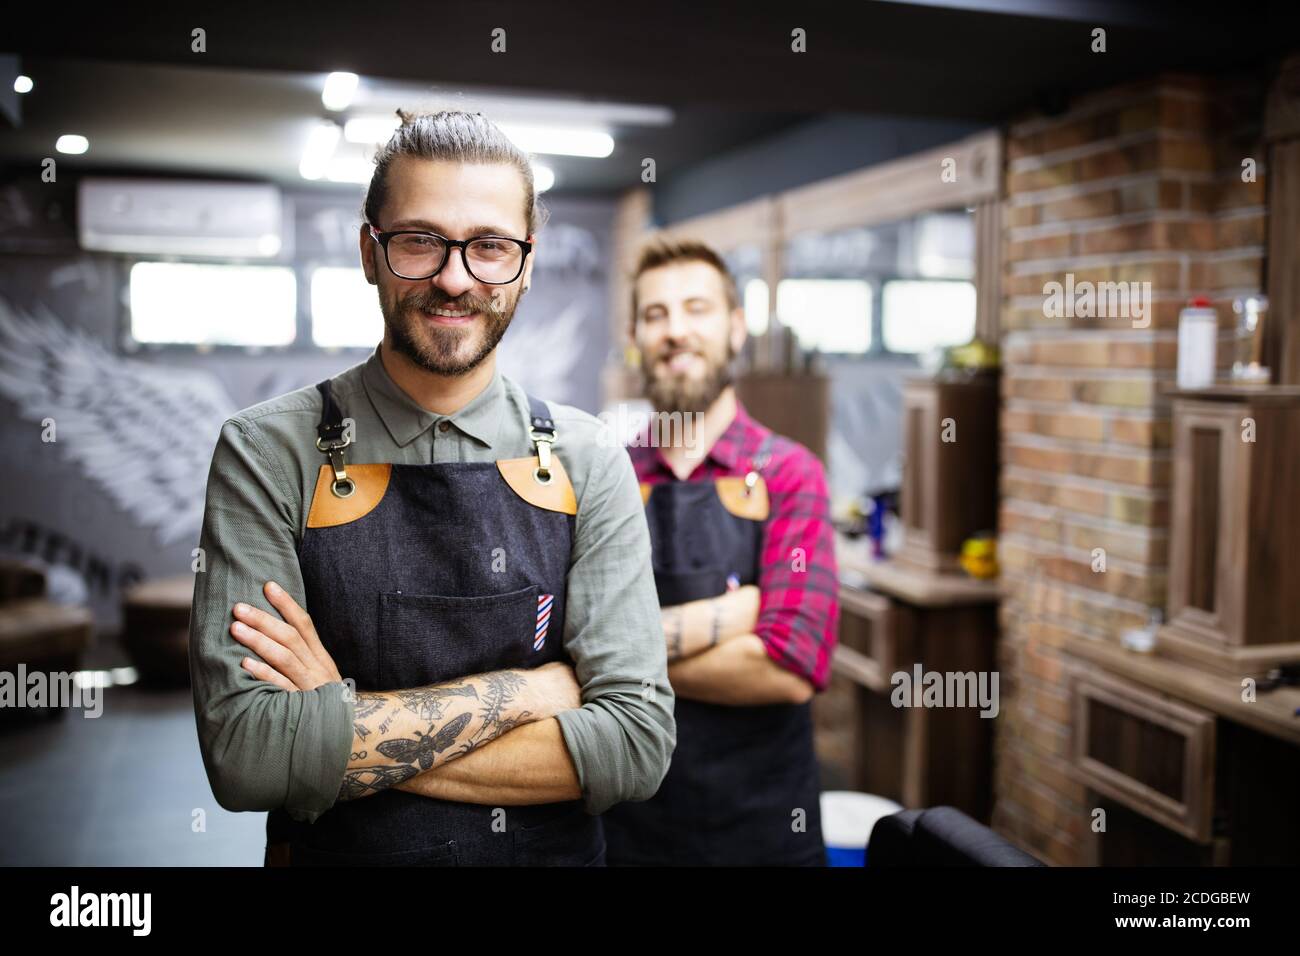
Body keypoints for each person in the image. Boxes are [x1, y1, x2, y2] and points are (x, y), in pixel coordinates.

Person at [188, 110, 674, 866]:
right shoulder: (267, 451)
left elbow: (637, 747)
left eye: (489, 247)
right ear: (369, 251)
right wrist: (528, 694)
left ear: (527, 262)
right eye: (420, 241)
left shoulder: (588, 458)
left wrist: (339, 727)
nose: (455, 278)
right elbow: (248, 755)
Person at [601, 238, 839, 865]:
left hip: (761, 831)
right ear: (635, 336)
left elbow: (788, 669)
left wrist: (611, 669)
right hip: (629, 830)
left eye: (697, 308)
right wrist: (735, 620)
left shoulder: (790, 474)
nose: (676, 330)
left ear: (736, 329)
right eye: (656, 315)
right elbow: (561, 641)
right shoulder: (607, 478)